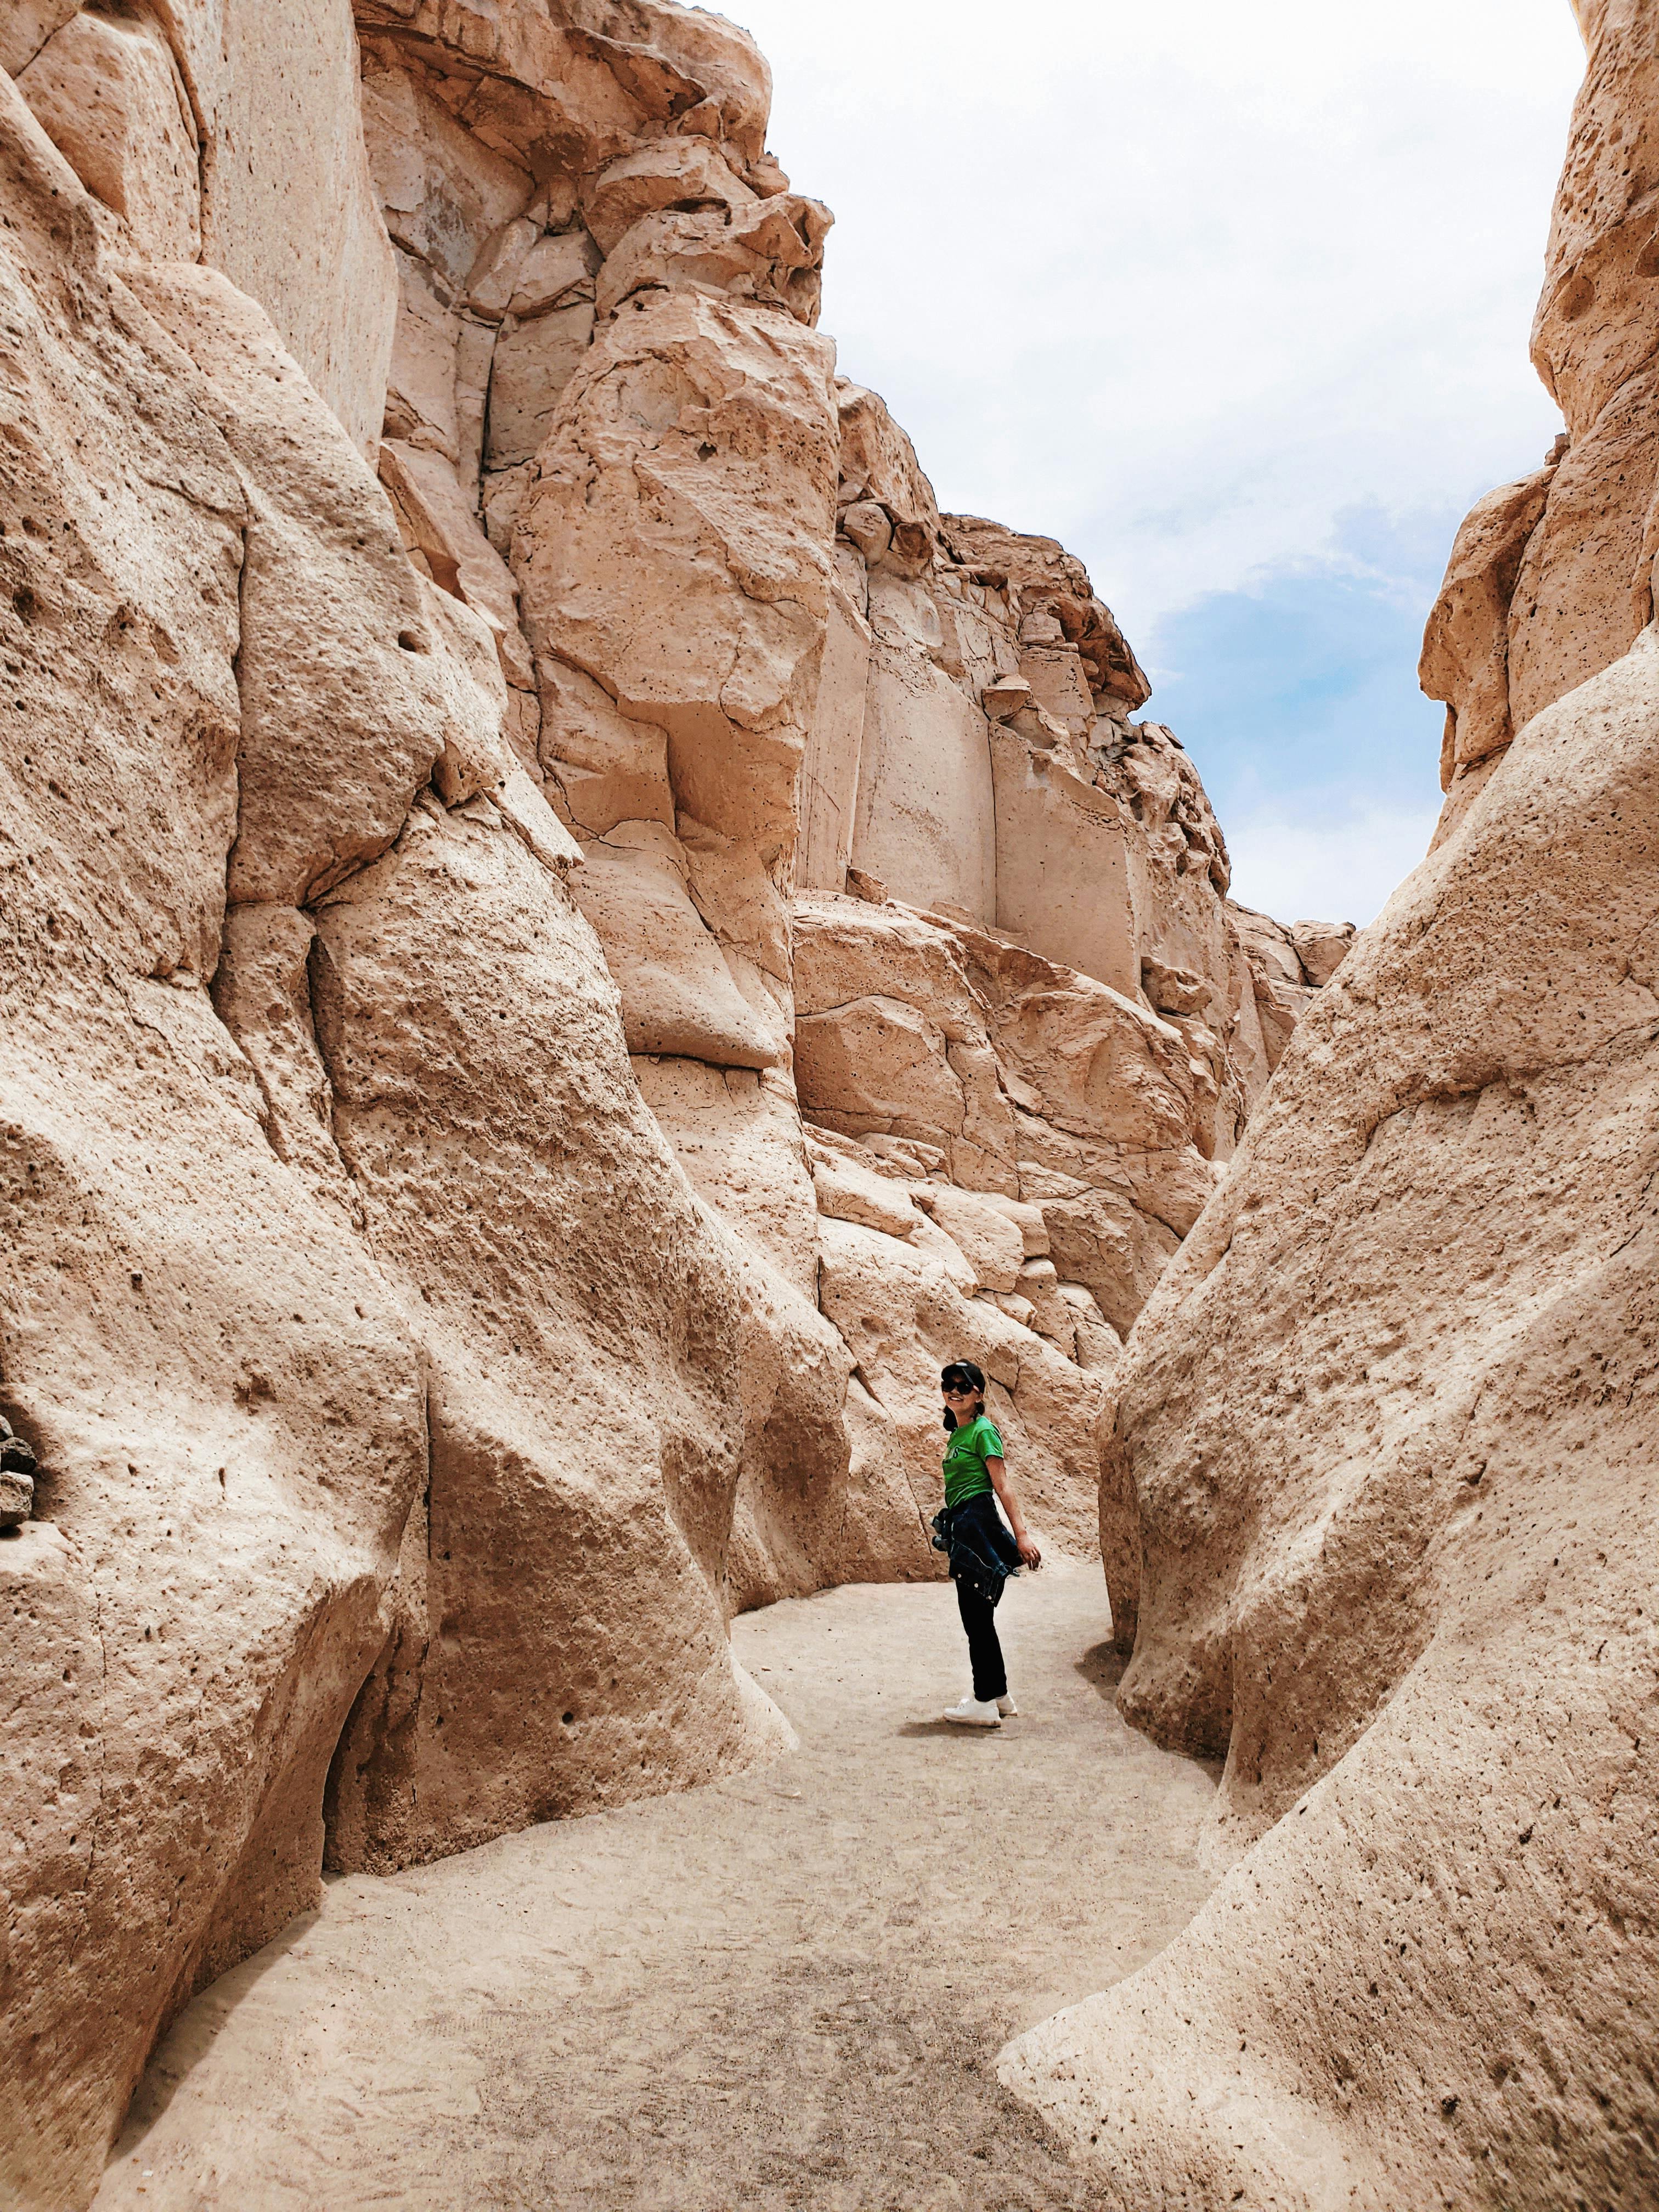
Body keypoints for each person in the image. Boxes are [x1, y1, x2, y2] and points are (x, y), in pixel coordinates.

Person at [932, 1360, 1041, 1728]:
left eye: (964, 1385)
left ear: (979, 1394)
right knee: (979, 1619)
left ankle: (982, 1701)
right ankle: (999, 1696)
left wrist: (1021, 1535)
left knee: (976, 1619)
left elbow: (1002, 1484)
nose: (955, 1390)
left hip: (977, 1521)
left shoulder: (982, 1431)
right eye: (949, 1384)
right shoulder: (957, 1435)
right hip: (964, 1523)